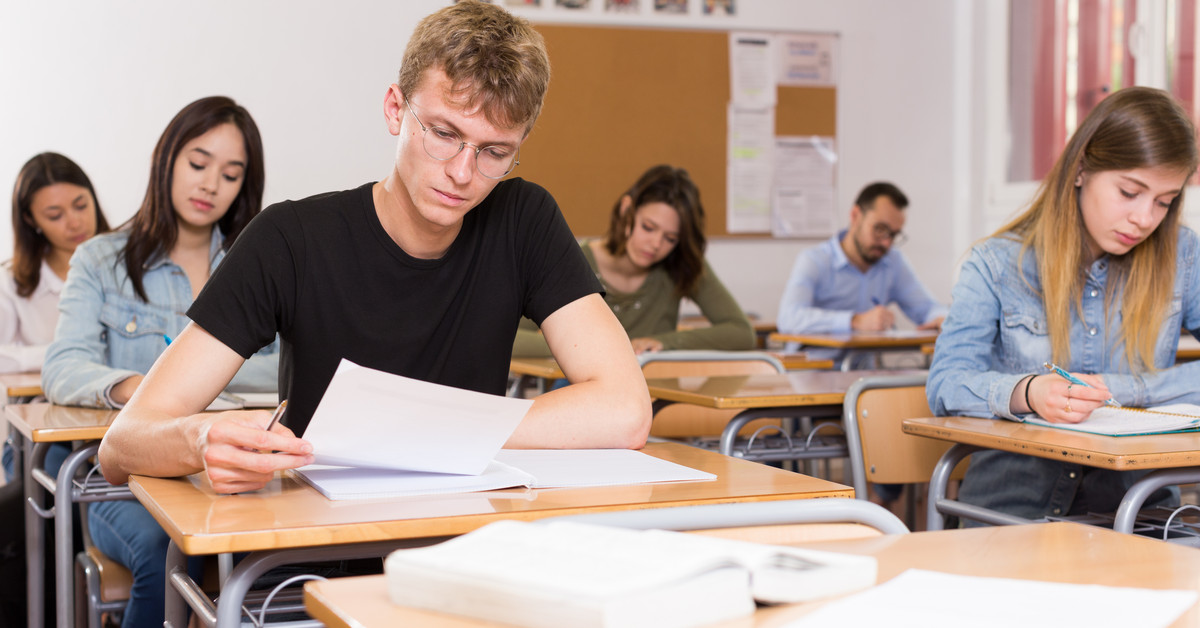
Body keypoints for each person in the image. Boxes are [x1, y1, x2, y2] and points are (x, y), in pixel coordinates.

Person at [97, 0, 650, 502]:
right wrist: (199, 437)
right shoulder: (291, 238)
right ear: (394, 109)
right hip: (314, 551)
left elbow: (624, 410)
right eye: (442, 133)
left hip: (464, 536)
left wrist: (424, 431)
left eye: (494, 152)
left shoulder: (522, 218)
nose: (462, 173)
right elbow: (123, 445)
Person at [43, 95, 279, 626]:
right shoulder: (101, 259)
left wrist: (192, 389)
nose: (210, 184)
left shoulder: (256, 264)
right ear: (167, 159)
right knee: (163, 551)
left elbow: (291, 370)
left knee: (284, 555)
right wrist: (152, 390)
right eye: (198, 163)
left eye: (231, 174)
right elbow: (64, 367)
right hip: (118, 480)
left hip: (226, 474)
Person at [927, 86, 1200, 524]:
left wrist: (1123, 390)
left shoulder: (1182, 255)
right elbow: (945, 384)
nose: (1146, 219)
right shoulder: (996, 263)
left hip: (1139, 513)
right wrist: (1027, 392)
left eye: (1164, 202)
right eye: (1130, 192)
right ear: (1080, 169)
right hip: (1011, 514)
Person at [512, 164, 755, 358]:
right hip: (586, 394)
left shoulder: (681, 264)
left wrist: (665, 343)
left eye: (670, 238)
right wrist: (581, 348)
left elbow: (741, 333)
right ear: (627, 210)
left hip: (656, 394)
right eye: (648, 228)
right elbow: (507, 336)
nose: (656, 244)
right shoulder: (573, 262)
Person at [776, 181, 947, 365]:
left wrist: (943, 319)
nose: (886, 243)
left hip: (863, 380)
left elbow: (927, 307)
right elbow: (788, 318)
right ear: (855, 216)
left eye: (894, 235)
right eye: (880, 229)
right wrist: (854, 321)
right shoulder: (815, 260)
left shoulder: (892, 262)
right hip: (812, 374)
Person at [0, 152, 110, 375]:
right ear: (31, 220)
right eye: (55, 215)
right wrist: (68, 354)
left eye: (81, 206)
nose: (74, 223)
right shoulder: (10, 281)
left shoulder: (133, 266)